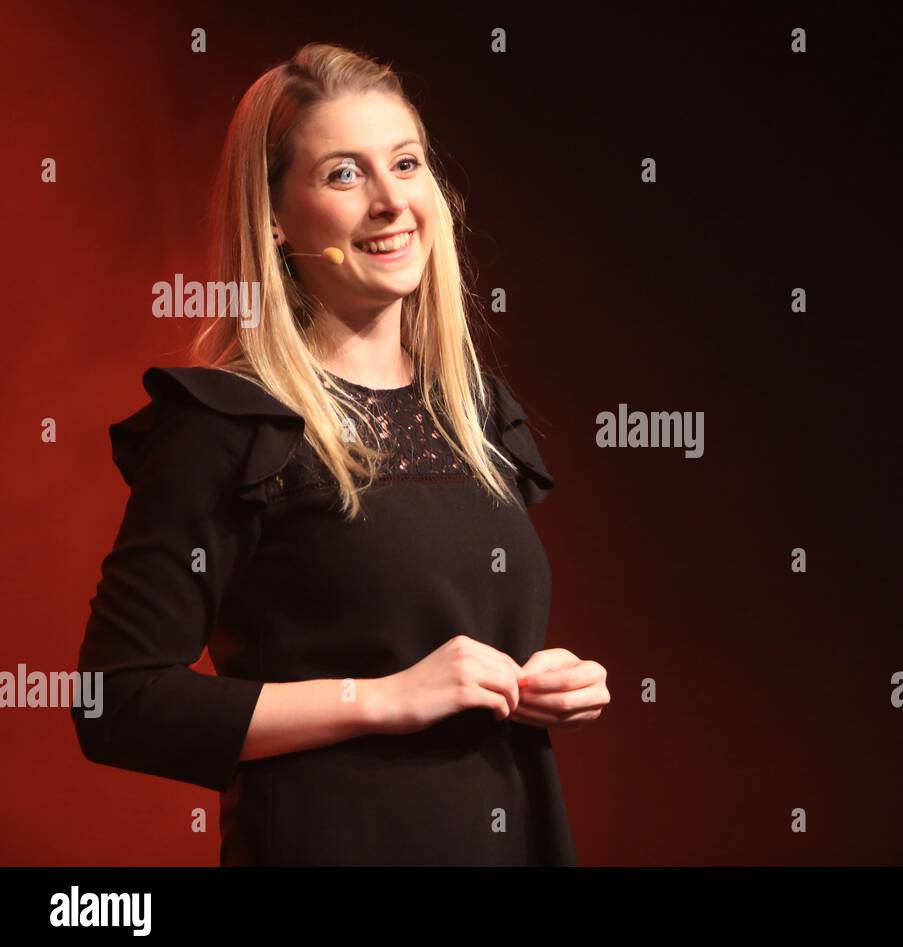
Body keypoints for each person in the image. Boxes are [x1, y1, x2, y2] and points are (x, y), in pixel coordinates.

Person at [71, 42, 608, 866]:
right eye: (344, 175)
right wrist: (385, 700)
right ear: (276, 217)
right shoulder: (230, 426)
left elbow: (445, 640)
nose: (392, 201)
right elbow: (117, 701)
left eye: (406, 163)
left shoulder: (475, 414)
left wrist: (545, 681)